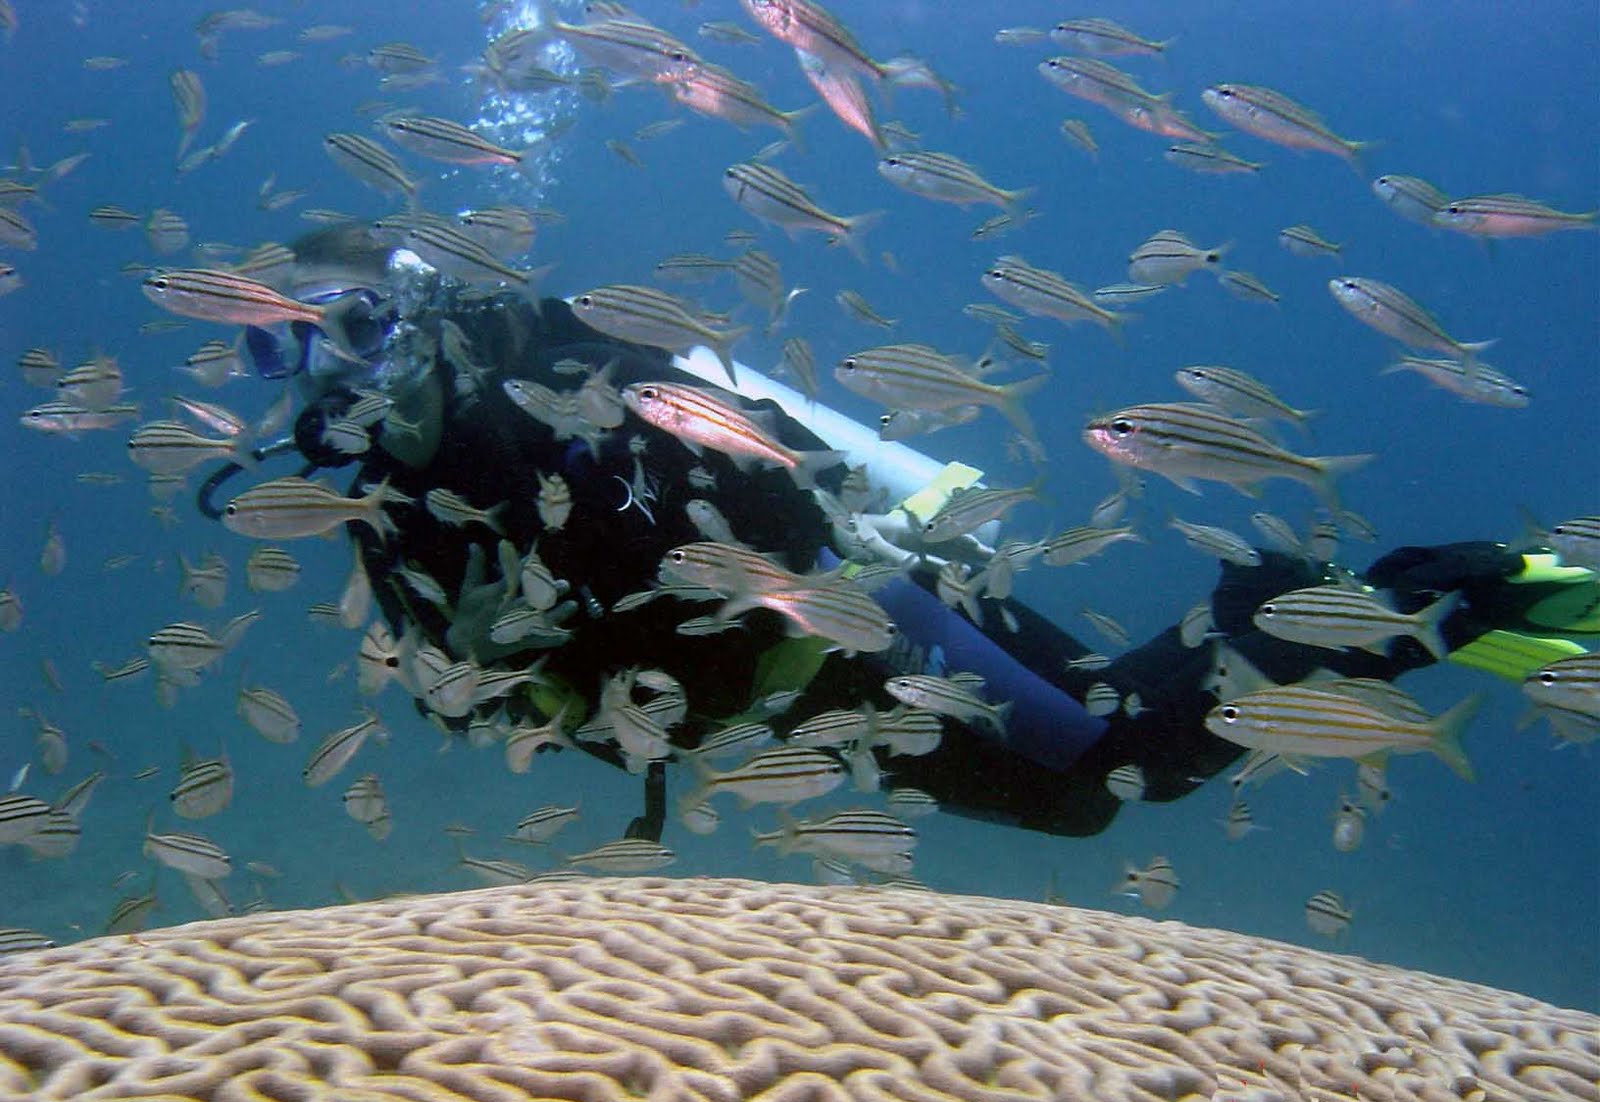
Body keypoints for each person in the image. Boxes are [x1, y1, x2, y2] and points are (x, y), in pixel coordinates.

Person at [204, 234, 1598, 843]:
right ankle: (1353, 616)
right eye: (276, 354)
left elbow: (776, 484)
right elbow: (481, 678)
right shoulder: (376, 512)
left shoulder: (573, 390)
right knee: (1078, 799)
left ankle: (1427, 594)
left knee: (1112, 765)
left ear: (423, 307)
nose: (334, 379)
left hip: (869, 618)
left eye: (355, 330)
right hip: (790, 709)